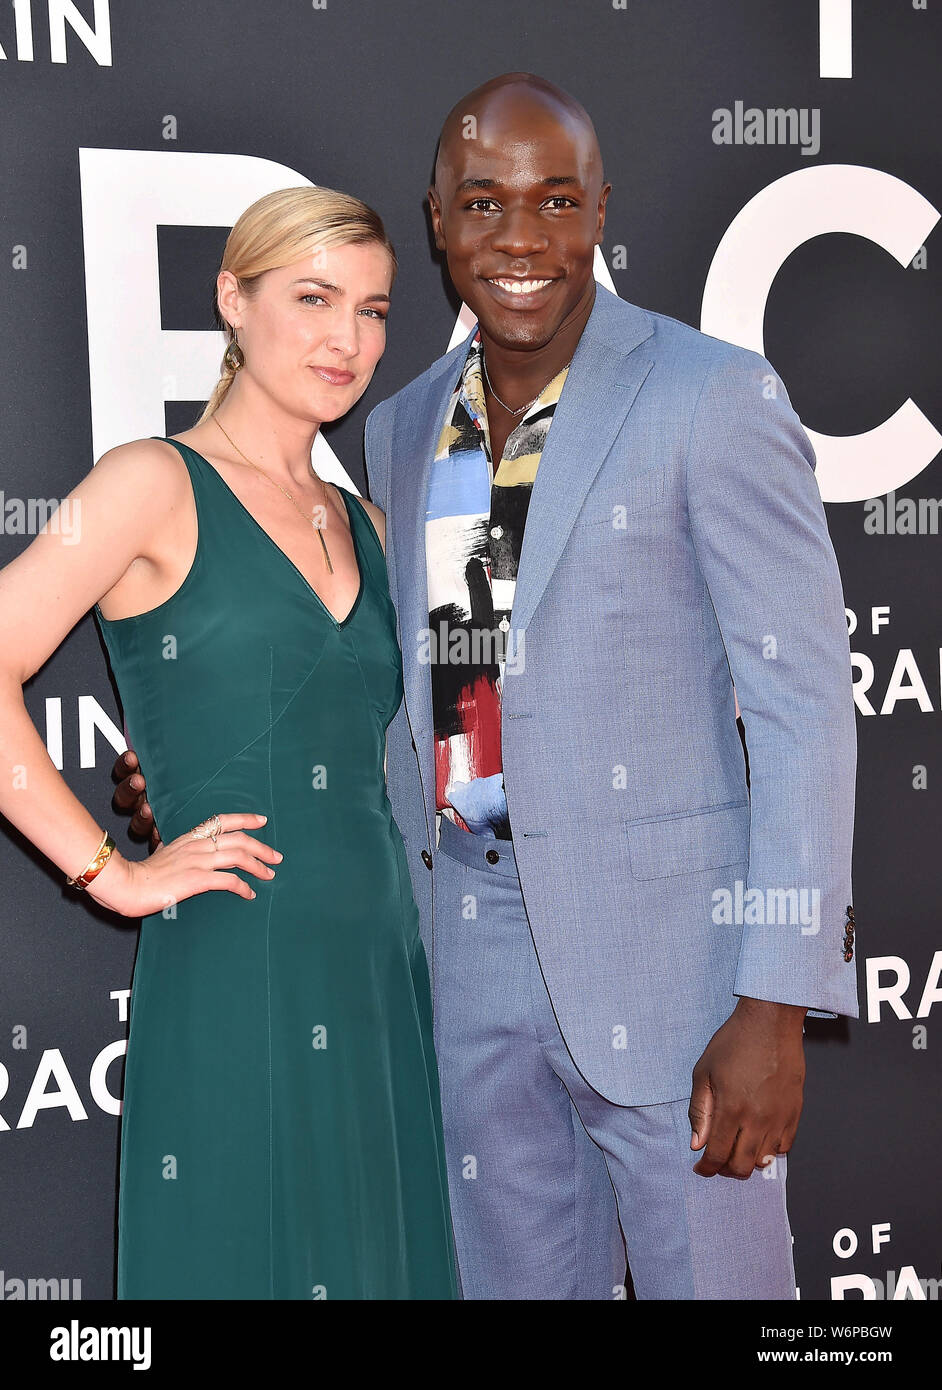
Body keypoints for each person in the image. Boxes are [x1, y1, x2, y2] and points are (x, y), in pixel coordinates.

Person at [118, 74, 859, 1300]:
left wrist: (775, 1000)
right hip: (461, 965)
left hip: (677, 982)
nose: (521, 239)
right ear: (438, 224)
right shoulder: (402, 431)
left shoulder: (711, 396)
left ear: (601, 214)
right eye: (484, 205)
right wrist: (207, 760)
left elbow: (803, 710)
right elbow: (411, 697)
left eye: (556, 202)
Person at [1, 186, 457, 1300]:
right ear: (232, 301)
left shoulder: (375, 527)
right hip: (234, 959)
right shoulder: (149, 483)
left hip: (383, 973)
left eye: (374, 308)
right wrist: (112, 873)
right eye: (312, 298)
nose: (347, 338)